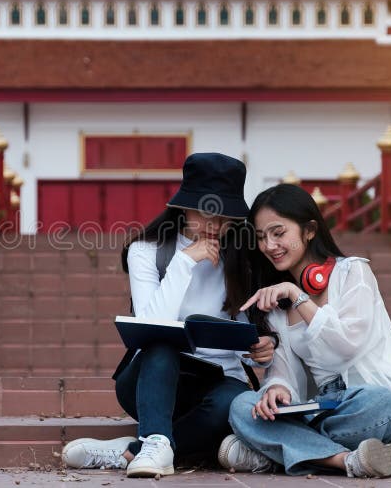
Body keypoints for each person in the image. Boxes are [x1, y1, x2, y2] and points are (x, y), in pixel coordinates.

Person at [62, 153, 277, 478]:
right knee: (162, 343)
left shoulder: (244, 257)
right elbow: (151, 326)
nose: (216, 227)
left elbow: (248, 339)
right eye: (207, 214)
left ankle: (140, 448)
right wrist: (184, 262)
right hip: (153, 376)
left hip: (219, 380)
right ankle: (154, 443)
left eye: (226, 217)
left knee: (231, 407)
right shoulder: (147, 251)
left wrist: (262, 349)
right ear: (184, 206)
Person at [218, 183, 391, 478]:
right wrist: (277, 389)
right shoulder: (278, 306)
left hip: (380, 419)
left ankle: (275, 452)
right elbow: (283, 372)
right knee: (243, 406)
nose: (268, 245)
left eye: (278, 233)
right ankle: (345, 461)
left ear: (309, 230)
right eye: (261, 237)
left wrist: (298, 296)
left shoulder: (353, 273)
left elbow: (347, 346)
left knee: (381, 402)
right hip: (321, 412)